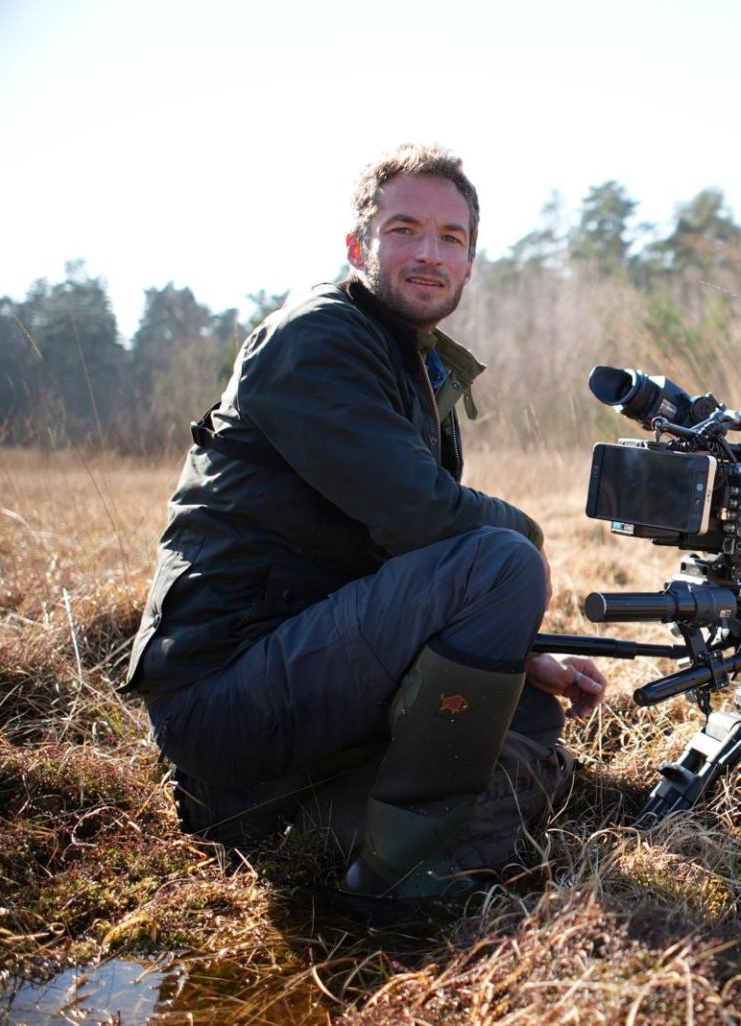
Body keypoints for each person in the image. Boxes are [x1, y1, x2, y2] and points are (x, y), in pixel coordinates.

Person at [122, 143, 607, 901]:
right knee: (505, 558)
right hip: (226, 695)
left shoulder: (413, 360)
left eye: (451, 238)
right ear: (358, 246)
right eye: (404, 230)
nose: (429, 253)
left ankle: (298, 818)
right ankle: (401, 878)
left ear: (469, 265)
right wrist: (528, 543)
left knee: (529, 713)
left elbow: (405, 562)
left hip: (304, 666)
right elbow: (426, 518)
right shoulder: (316, 340)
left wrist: (516, 652)